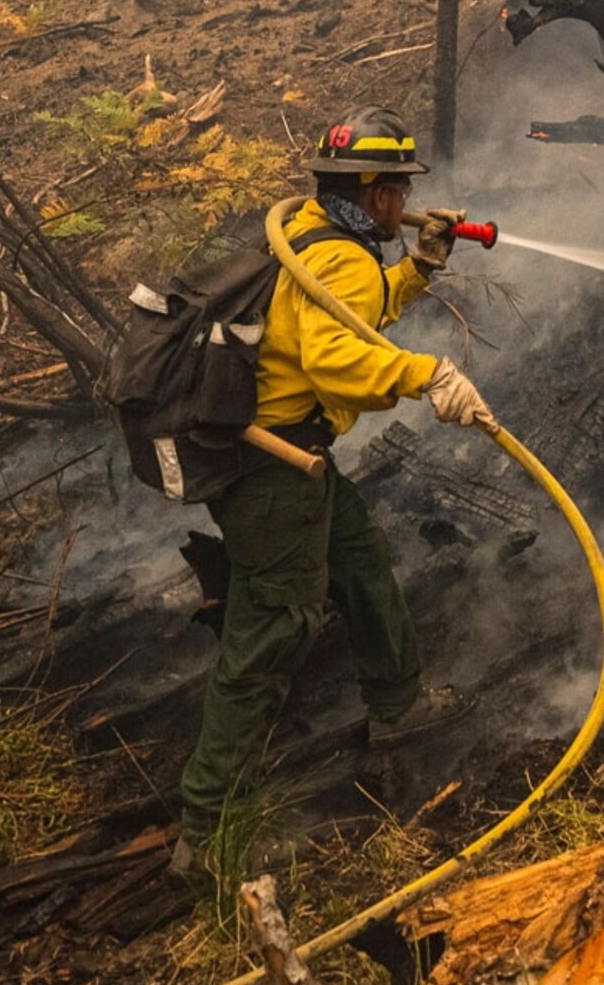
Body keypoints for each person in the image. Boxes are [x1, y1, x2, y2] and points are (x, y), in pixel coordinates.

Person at [171, 107, 498, 880]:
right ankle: (207, 836)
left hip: (277, 457)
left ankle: (398, 705)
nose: (404, 202)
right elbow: (335, 360)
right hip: (271, 473)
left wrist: (416, 271)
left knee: (359, 559)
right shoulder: (340, 256)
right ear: (377, 194)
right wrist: (427, 374)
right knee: (270, 637)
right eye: (399, 190)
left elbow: (346, 315)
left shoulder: (312, 233)